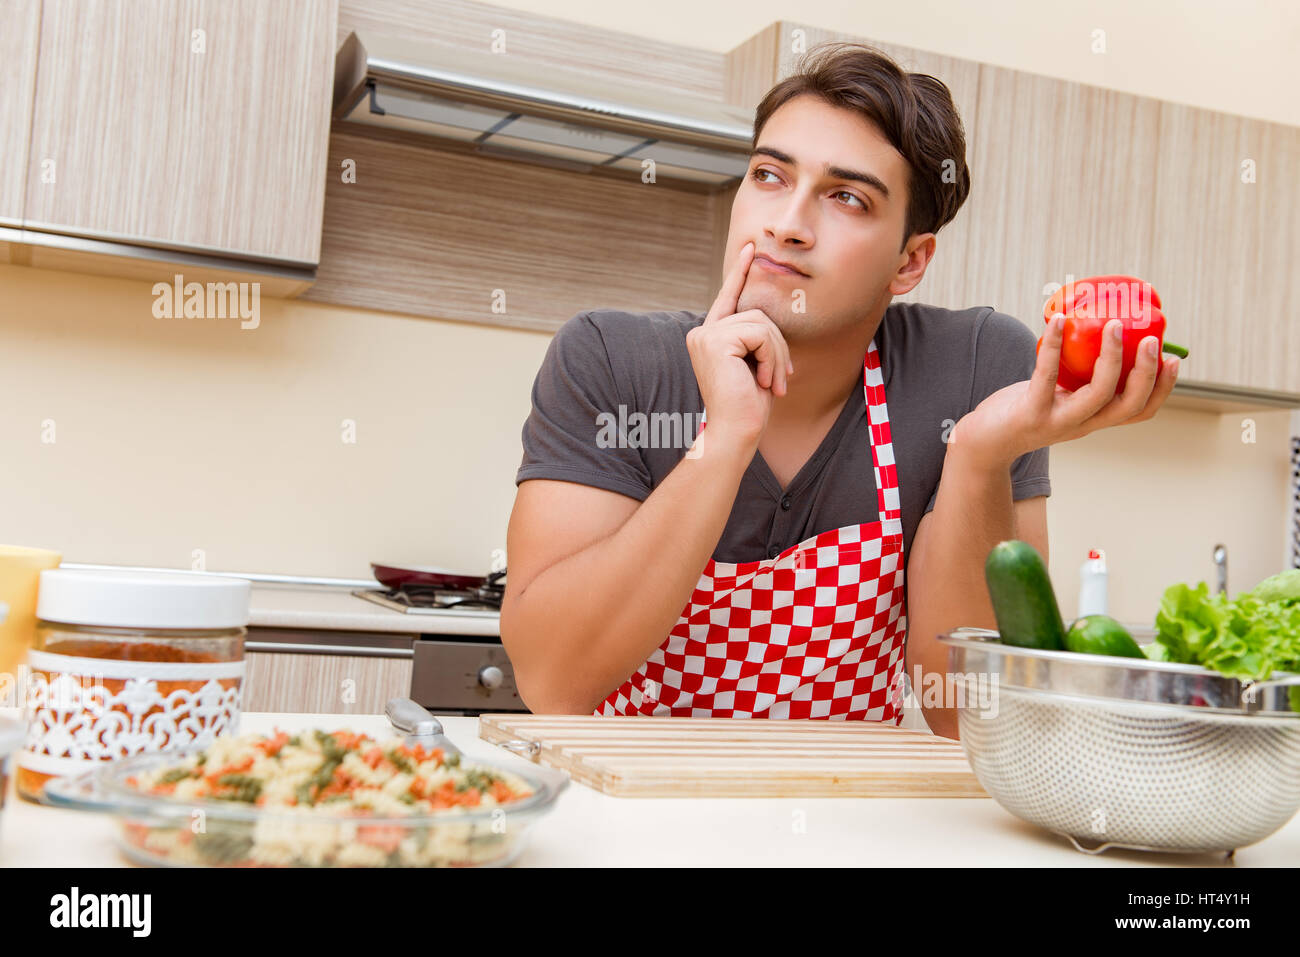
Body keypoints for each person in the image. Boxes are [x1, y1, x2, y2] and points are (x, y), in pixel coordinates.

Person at [500, 42, 1179, 739]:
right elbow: (554, 680)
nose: (787, 224)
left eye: (846, 197)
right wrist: (724, 440)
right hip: (628, 814)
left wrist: (976, 457)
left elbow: (967, 712)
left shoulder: (972, 369)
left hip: (851, 822)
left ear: (910, 262)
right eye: (769, 174)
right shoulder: (612, 361)